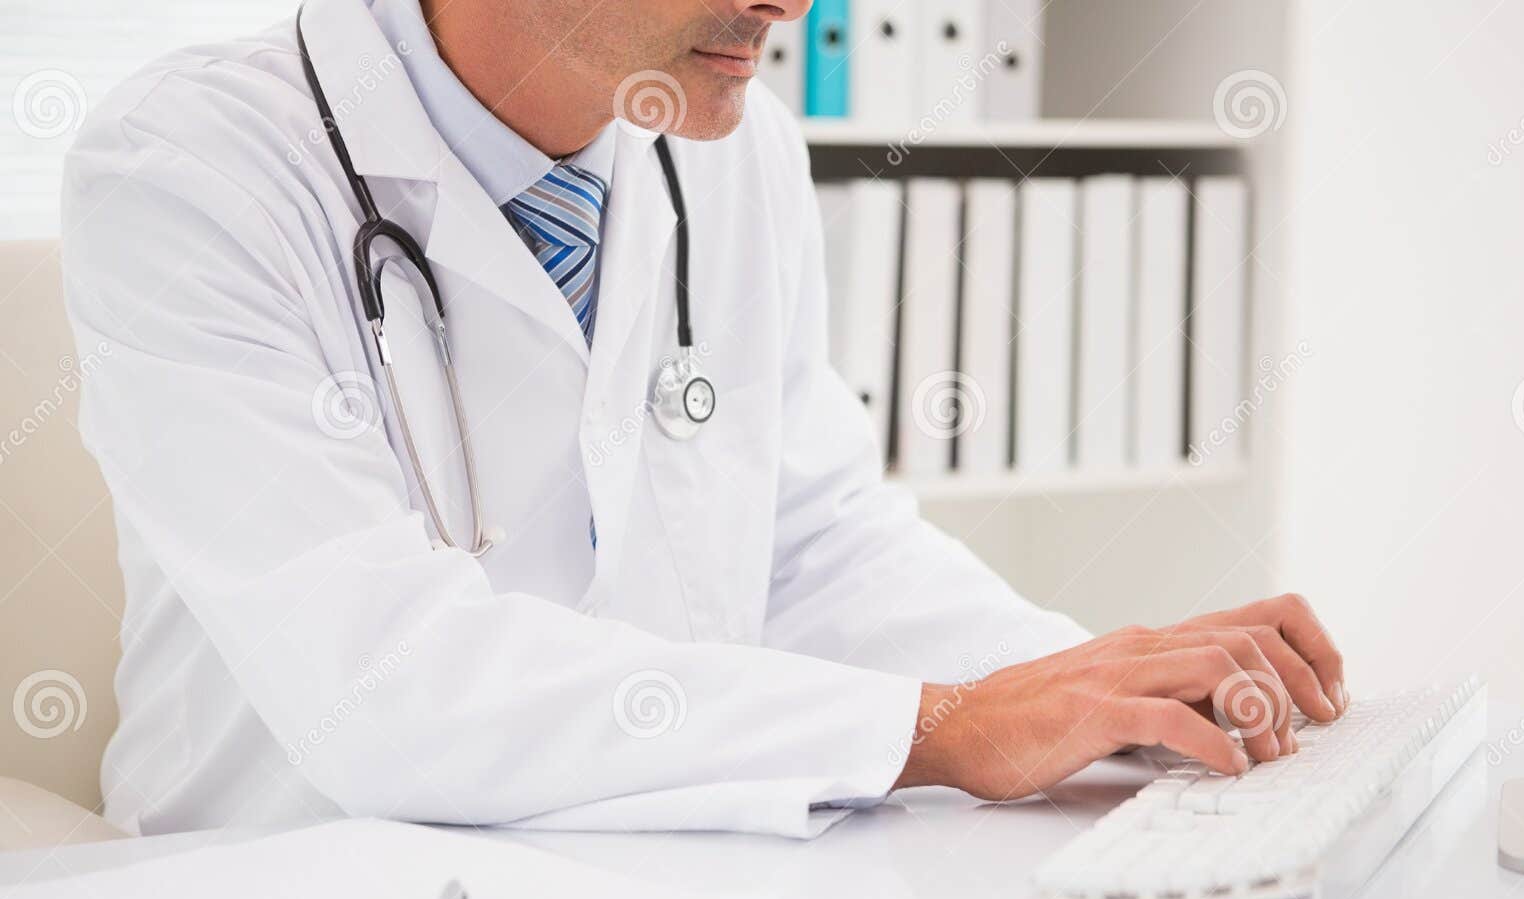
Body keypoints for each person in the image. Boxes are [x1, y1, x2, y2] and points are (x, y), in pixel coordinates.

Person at [60, 0, 1344, 838]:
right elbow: (379, 684)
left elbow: (817, 542)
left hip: (657, 885)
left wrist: (1100, 700)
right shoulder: (189, 172)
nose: (788, 3)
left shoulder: (737, 147)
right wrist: (936, 727)